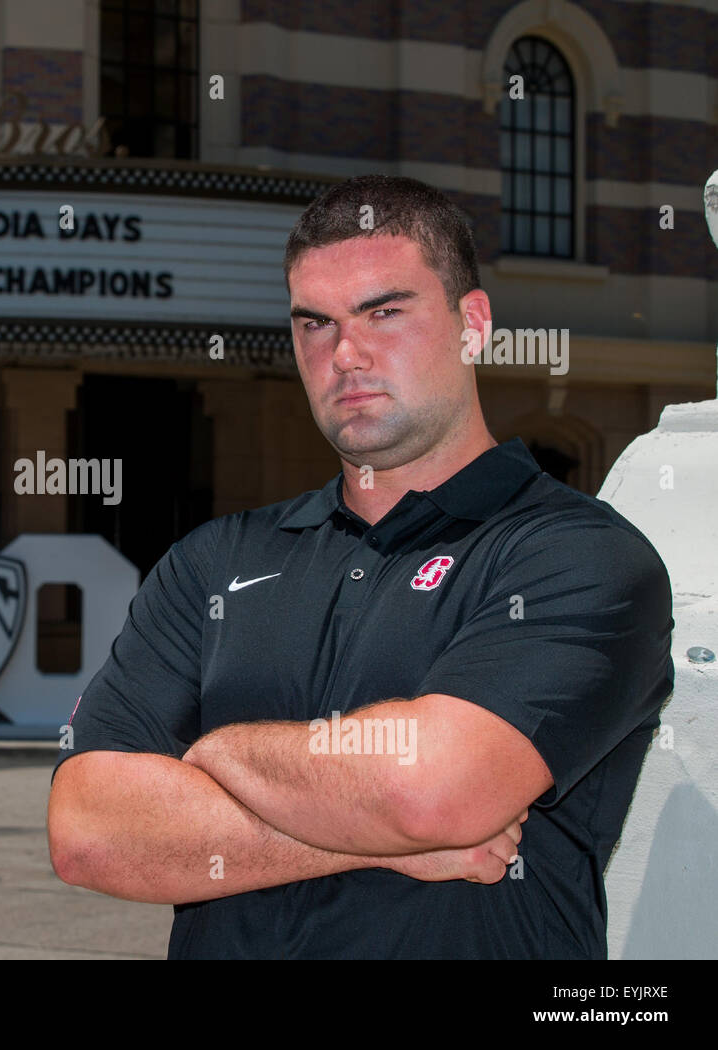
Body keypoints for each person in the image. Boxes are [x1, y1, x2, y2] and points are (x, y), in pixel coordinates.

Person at [47, 174, 674, 959]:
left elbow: (433, 791)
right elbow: (88, 832)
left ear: (472, 324)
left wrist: (216, 753)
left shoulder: (578, 555)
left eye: (385, 312)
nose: (346, 353)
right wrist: (376, 842)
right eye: (315, 323)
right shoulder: (213, 562)